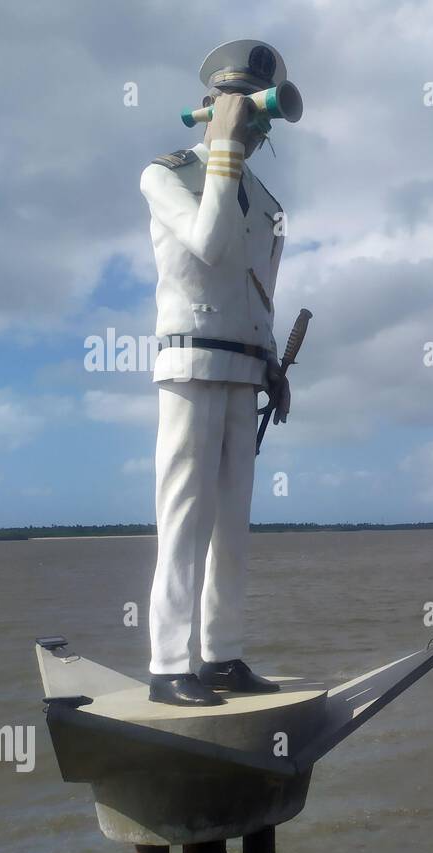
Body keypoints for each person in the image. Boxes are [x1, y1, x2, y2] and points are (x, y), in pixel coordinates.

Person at [140, 40, 294, 706]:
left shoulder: (268, 201)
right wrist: (224, 148)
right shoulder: (166, 173)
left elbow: (261, 288)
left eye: (260, 122)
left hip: (242, 366)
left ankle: (222, 654)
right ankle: (170, 663)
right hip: (191, 359)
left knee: (233, 522)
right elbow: (206, 246)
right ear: (210, 109)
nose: (257, 131)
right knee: (184, 514)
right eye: (246, 113)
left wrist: (271, 361)